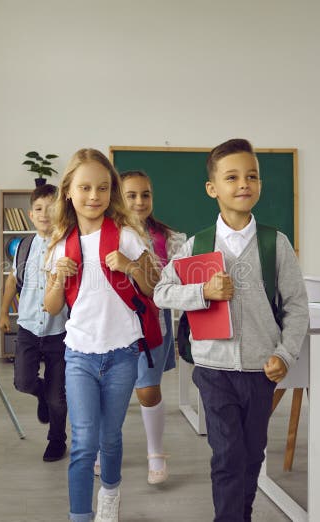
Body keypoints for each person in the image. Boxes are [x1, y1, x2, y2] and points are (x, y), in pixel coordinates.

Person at [153, 138, 309, 521]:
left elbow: (297, 307)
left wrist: (284, 354)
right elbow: (162, 292)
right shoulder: (196, 245)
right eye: (233, 177)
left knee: (252, 454)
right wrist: (202, 291)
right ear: (213, 189)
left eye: (252, 176)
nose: (244, 184)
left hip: (261, 370)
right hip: (213, 369)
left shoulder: (276, 243)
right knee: (227, 455)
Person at [43, 149, 160, 522]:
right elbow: (51, 307)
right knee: (83, 444)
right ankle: (80, 515)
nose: (94, 196)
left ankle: (110, 492)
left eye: (103, 188)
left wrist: (128, 267)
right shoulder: (61, 245)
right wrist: (59, 278)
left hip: (122, 354)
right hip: (79, 355)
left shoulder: (125, 236)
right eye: (85, 187)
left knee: (110, 438)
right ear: (69, 193)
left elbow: (152, 288)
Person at [119, 170, 186, 484]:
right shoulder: (107, 233)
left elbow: (171, 282)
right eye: (131, 195)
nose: (139, 201)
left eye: (145, 194)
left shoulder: (168, 238)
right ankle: (105, 450)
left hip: (151, 324)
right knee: (112, 392)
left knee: (147, 390)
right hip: (113, 326)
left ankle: (156, 453)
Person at [0, 184, 68, 462]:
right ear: (30, 214)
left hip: (59, 331)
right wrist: (4, 313)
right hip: (28, 327)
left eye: (51, 208)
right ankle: (39, 394)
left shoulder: (67, 246)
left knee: (58, 397)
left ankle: (57, 440)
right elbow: (13, 281)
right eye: (39, 209)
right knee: (23, 382)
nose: (45, 214)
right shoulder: (23, 246)